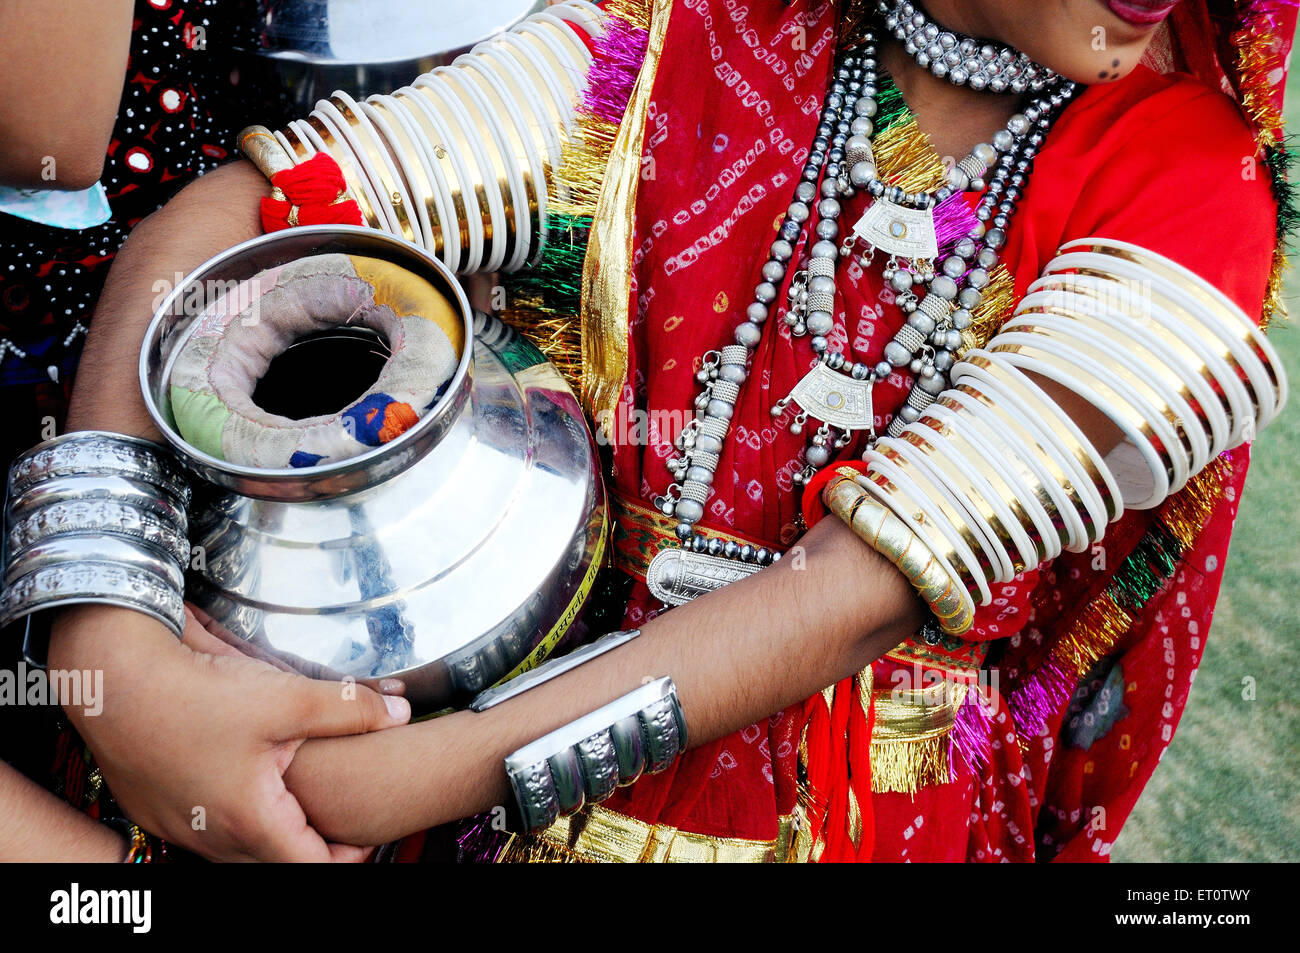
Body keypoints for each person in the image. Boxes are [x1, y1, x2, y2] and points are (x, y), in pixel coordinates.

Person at [32, 0, 1296, 862]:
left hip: (834, 816)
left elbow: (876, 582)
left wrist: (381, 783)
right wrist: (117, 651)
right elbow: (231, 227)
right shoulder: (684, 34)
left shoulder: (1192, 175)